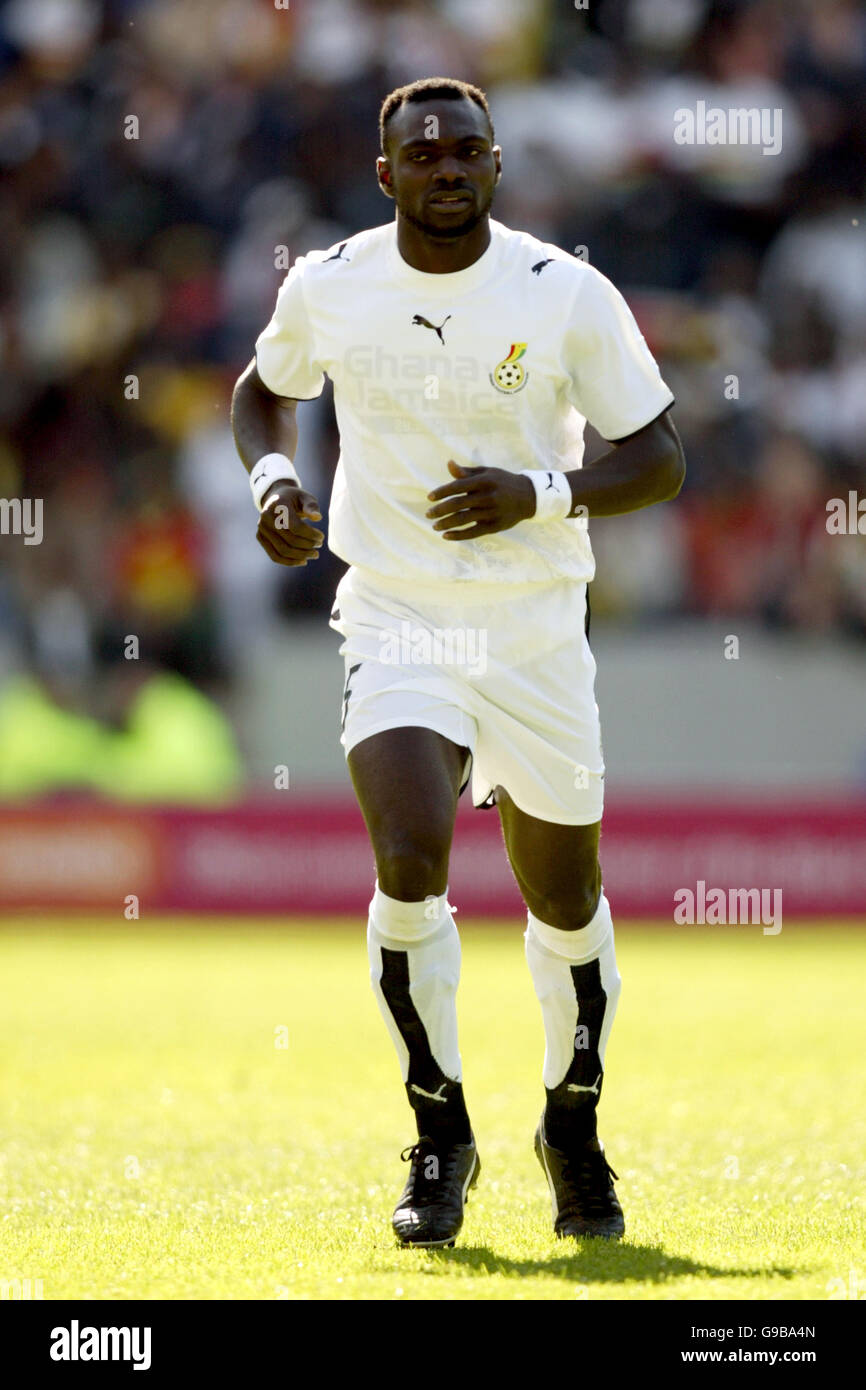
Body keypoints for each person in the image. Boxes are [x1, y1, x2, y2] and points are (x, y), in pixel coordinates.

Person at [231, 77, 685, 1248]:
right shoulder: (328, 285)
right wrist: (274, 481)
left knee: (565, 899)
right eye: (420, 151)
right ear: (383, 174)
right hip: (392, 615)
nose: (444, 165)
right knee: (406, 855)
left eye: (465, 150)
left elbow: (658, 458)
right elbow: (258, 394)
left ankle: (569, 1125)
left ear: (496, 167)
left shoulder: (564, 291)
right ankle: (439, 1130)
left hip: (534, 625)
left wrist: (538, 492)